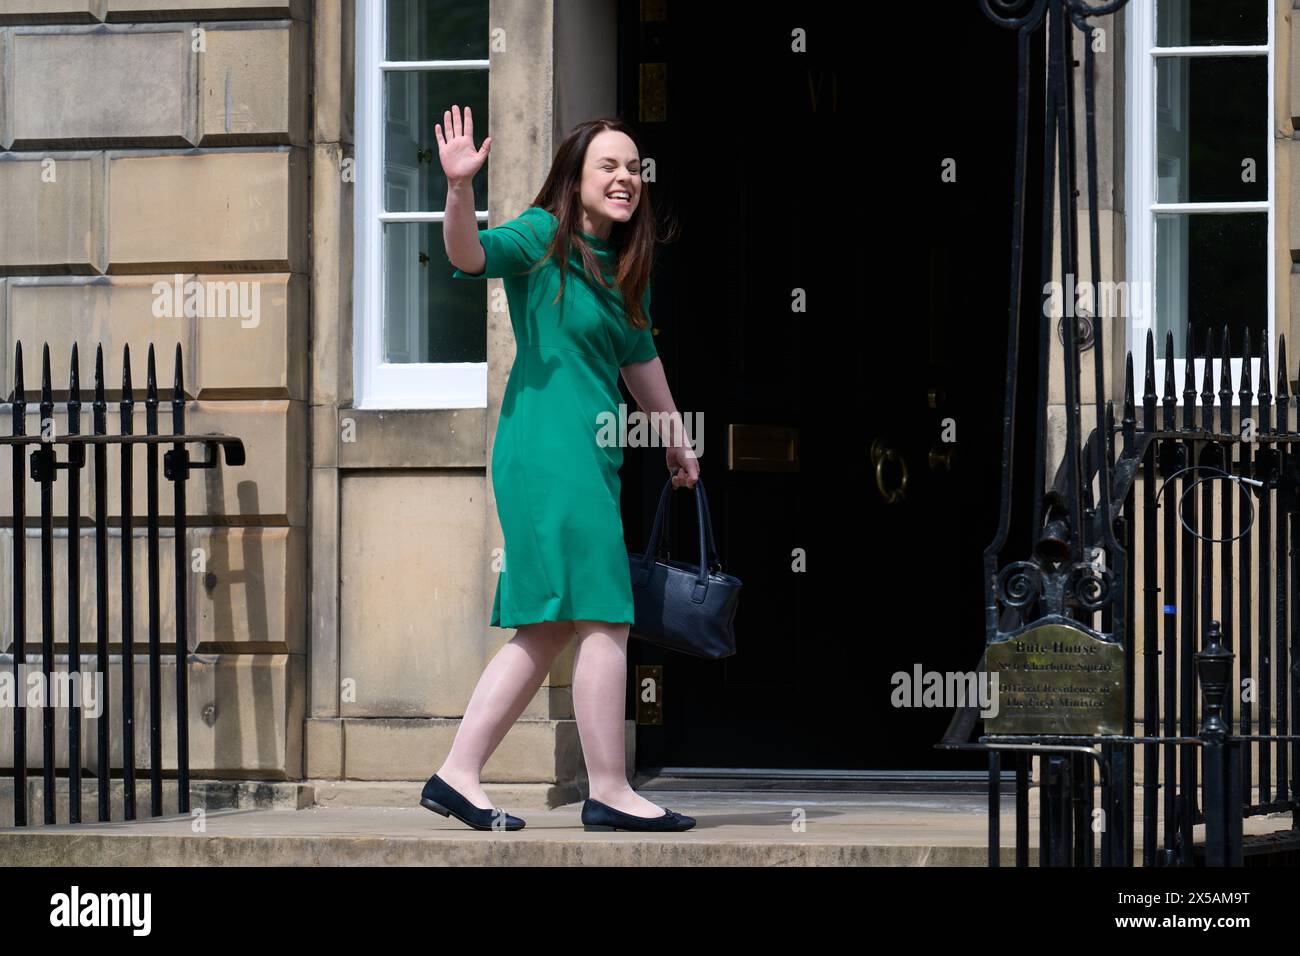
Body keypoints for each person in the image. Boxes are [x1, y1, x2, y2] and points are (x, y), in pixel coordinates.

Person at [418, 106, 699, 833]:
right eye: (608, 165)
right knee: (606, 614)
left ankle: (457, 774)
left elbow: (639, 358)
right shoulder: (544, 238)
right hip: (547, 454)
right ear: (573, 182)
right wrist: (458, 189)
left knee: (548, 629)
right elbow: (469, 255)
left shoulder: (622, 264)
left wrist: (674, 435)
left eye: (633, 167)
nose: (625, 178)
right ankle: (609, 789)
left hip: (590, 455)